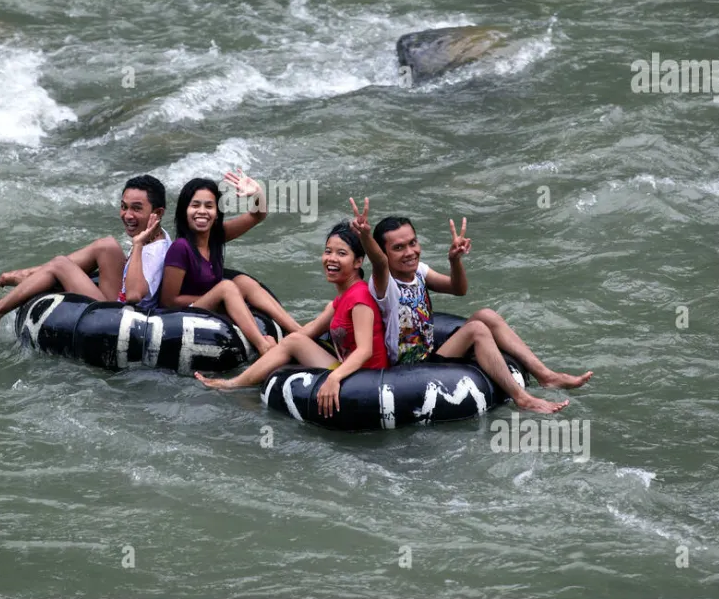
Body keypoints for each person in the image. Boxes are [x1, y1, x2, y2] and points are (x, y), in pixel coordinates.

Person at [349, 198, 591, 414]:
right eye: (398, 248)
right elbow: (378, 263)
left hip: (431, 353)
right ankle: (523, 399)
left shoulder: (419, 271)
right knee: (476, 330)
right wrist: (365, 236)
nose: (410, 252)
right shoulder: (384, 284)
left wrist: (454, 260)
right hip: (409, 370)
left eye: (413, 243)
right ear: (384, 253)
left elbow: (458, 289)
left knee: (486, 315)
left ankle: (546, 376)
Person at [194, 221, 388, 419]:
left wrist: (334, 377)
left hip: (366, 380)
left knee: (294, 342)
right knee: (293, 341)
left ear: (358, 262)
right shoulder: (341, 299)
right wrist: (276, 348)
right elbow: (309, 330)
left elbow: (365, 350)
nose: (332, 258)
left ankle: (232, 384)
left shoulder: (359, 298)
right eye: (328, 251)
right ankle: (246, 380)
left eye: (342, 253)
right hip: (350, 371)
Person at [0, 175, 170, 331]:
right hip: (119, 298)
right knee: (107, 245)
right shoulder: (157, 234)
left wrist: (138, 244)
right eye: (124, 207)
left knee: (60, 264)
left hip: (121, 316)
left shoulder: (153, 252)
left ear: (157, 213)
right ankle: (30, 275)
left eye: (136, 209)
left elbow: (133, 296)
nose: (127, 215)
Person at [157, 170, 303, 355]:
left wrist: (257, 193)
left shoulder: (216, 237)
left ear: (217, 213)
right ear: (184, 211)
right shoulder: (180, 247)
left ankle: (298, 330)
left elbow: (257, 216)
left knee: (242, 281)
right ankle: (264, 346)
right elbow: (168, 301)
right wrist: (215, 298)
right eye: (195, 205)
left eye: (209, 206)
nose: (202, 211)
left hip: (210, 304)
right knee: (227, 287)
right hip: (185, 314)